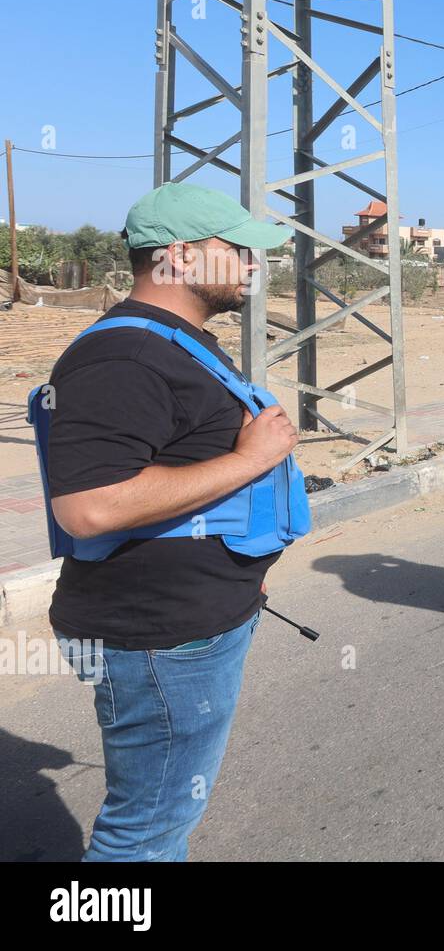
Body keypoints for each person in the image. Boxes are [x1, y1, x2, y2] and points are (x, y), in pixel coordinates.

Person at [33, 183, 309, 859]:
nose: (253, 264)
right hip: (159, 640)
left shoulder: (173, 341)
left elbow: (181, 470)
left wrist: (239, 574)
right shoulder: (122, 357)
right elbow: (89, 506)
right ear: (181, 257)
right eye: (239, 251)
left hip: (192, 619)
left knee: (162, 820)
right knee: (145, 835)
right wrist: (252, 459)